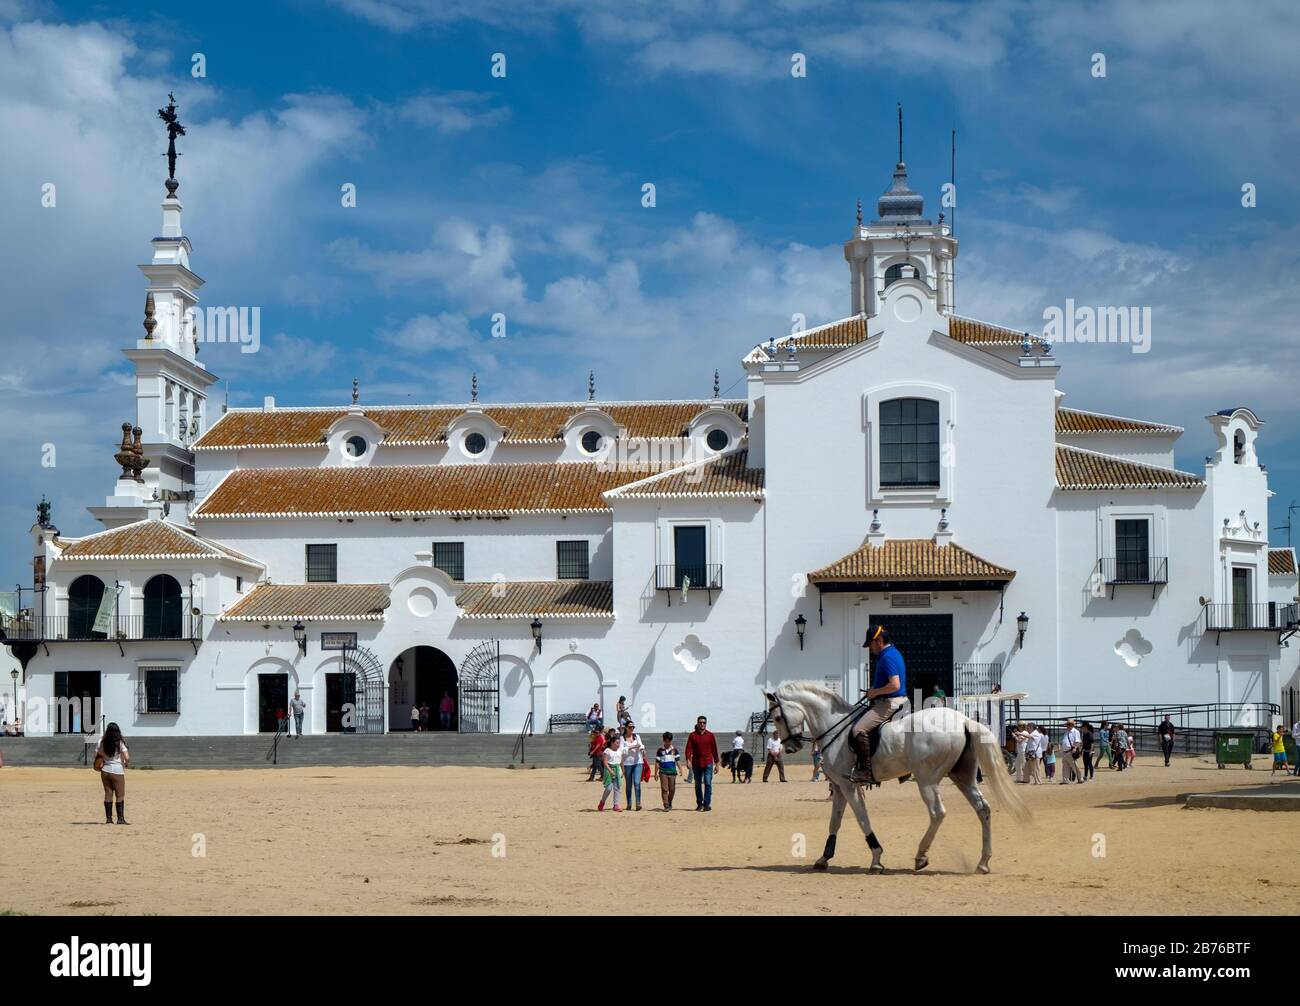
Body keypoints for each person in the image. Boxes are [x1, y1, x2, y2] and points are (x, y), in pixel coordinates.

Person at [850, 625, 910, 785]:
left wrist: (874, 692)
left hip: (890, 703)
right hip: (898, 700)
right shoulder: (893, 653)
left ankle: (865, 771)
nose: (870, 648)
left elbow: (895, 685)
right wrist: (874, 691)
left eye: (871, 644)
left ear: (880, 640)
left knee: (858, 729)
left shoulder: (887, 657)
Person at [95, 722, 130, 825]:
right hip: (117, 770)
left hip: (105, 770)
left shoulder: (101, 741)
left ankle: (109, 819)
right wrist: (126, 763)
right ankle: (120, 819)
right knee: (120, 795)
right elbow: (127, 757)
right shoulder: (119, 742)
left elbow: (96, 755)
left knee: (108, 794)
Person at [684, 715, 720, 811]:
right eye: (700, 722)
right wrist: (688, 760)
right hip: (696, 763)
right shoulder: (692, 735)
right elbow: (688, 748)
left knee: (708, 783)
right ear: (697, 723)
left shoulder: (710, 735)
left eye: (704, 722)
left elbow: (714, 749)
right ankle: (700, 803)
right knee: (698, 784)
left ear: (706, 724)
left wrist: (717, 763)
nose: (702, 724)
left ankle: (706, 804)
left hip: (708, 762)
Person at [621, 721, 646, 811]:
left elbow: (641, 745)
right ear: (626, 728)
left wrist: (643, 751)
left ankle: (638, 803)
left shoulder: (637, 736)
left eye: (633, 727)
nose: (632, 729)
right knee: (628, 784)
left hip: (638, 762)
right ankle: (629, 803)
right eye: (630, 727)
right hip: (627, 763)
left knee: (636, 782)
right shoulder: (622, 738)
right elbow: (621, 751)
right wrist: (630, 747)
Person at [654, 732, 681, 811]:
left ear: (671, 740)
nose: (667, 743)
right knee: (664, 789)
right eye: (666, 741)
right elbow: (657, 762)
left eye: (669, 741)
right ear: (663, 741)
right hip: (663, 772)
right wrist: (656, 773)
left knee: (672, 789)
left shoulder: (674, 750)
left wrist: (680, 769)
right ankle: (666, 805)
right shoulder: (660, 750)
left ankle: (670, 801)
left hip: (672, 772)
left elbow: (678, 760)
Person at [597, 733, 623, 812]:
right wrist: (610, 771)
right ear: (612, 743)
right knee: (608, 788)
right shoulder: (607, 751)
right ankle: (602, 802)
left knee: (617, 788)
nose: (618, 745)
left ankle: (616, 805)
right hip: (609, 770)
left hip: (617, 769)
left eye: (619, 743)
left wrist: (623, 771)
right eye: (617, 743)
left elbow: (621, 762)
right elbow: (605, 762)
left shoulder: (620, 751)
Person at [1060, 719, 1083, 784]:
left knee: (1075, 766)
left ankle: (1080, 778)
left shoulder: (1076, 732)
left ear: (1072, 725)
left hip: (1070, 751)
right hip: (1065, 752)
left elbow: (1078, 741)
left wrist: (1075, 748)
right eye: (1067, 724)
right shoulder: (1066, 732)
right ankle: (1065, 780)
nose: (1067, 726)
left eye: (1069, 724)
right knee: (1065, 767)